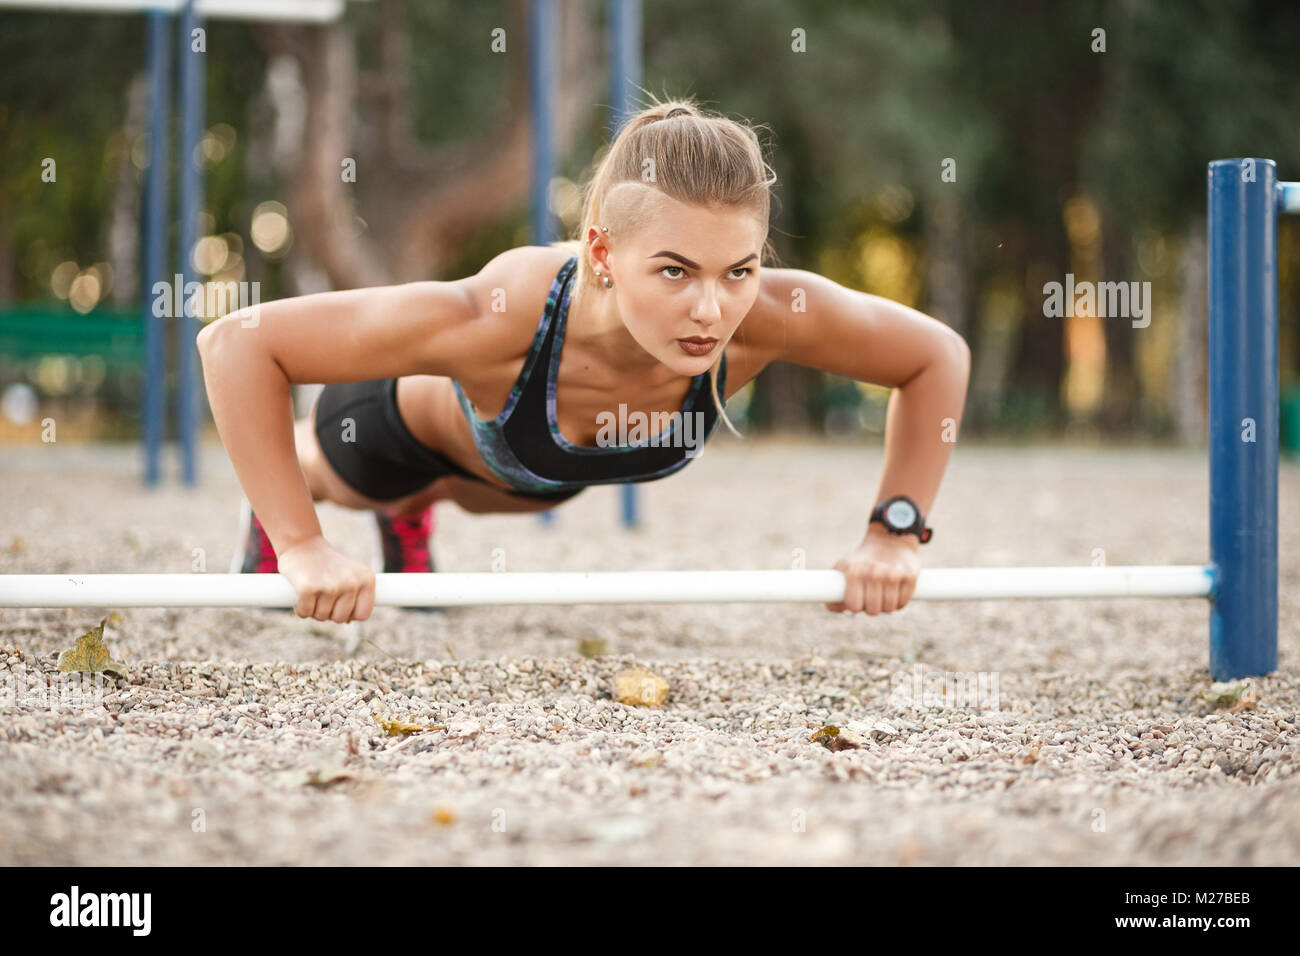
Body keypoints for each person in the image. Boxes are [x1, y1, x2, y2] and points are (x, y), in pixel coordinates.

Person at [197, 97, 971, 624]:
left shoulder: (768, 317)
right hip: (392, 428)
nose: (711, 310)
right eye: (674, 271)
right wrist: (300, 543)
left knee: (484, 497)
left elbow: (936, 355)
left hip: (532, 477)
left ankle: (413, 515)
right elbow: (237, 343)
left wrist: (894, 531)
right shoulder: (501, 314)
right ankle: (328, 494)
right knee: (350, 479)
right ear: (601, 249)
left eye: (738, 269)